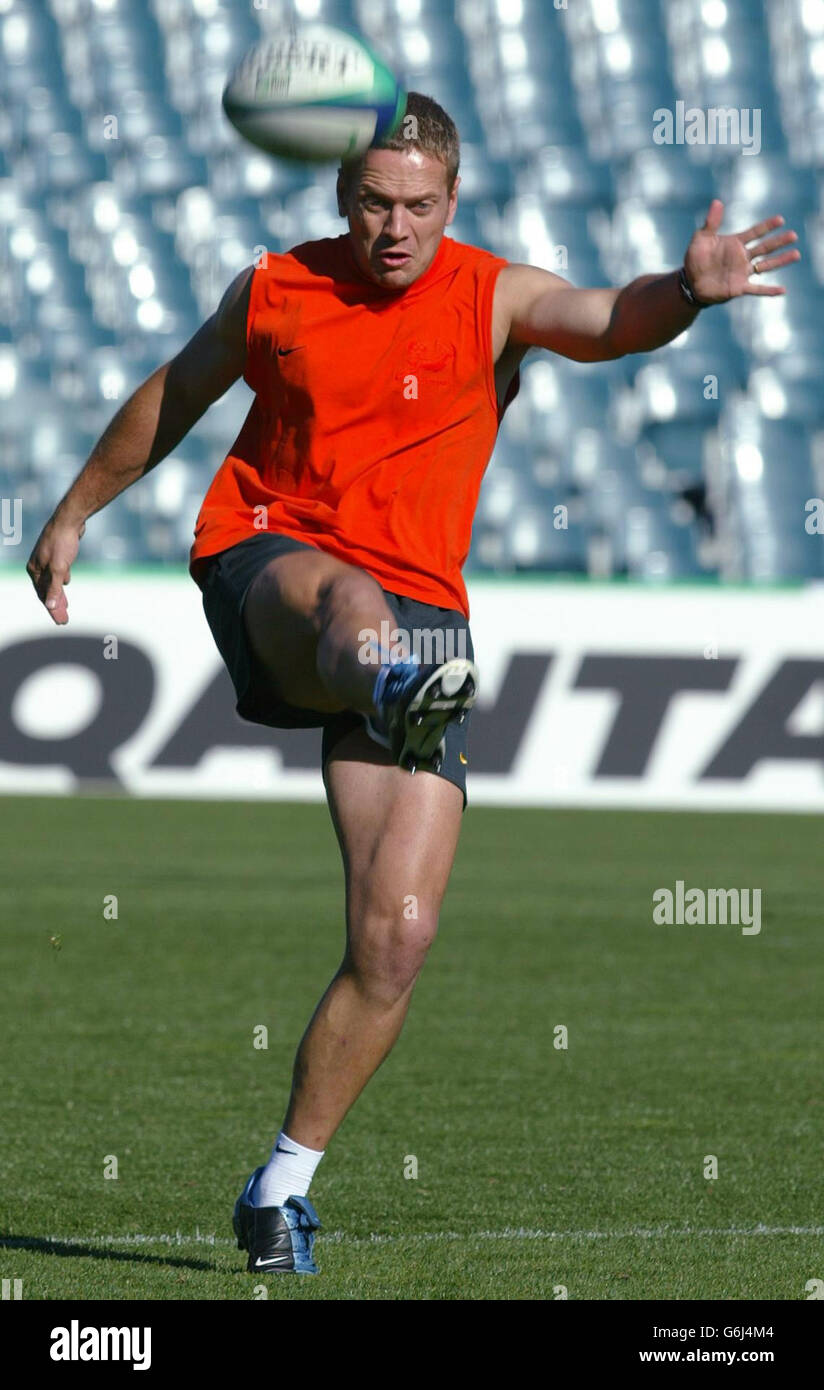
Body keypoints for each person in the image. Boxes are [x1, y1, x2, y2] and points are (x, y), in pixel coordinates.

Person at [27, 92, 799, 1276]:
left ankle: (279, 1186)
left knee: (397, 936)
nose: (396, 227)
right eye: (375, 203)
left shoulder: (491, 295)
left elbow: (604, 320)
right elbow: (174, 395)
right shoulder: (275, 288)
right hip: (271, 562)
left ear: (453, 199)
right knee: (354, 614)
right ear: (342, 197)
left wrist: (685, 291)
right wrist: (75, 513)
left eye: (420, 206)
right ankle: (390, 686)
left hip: (421, 612)